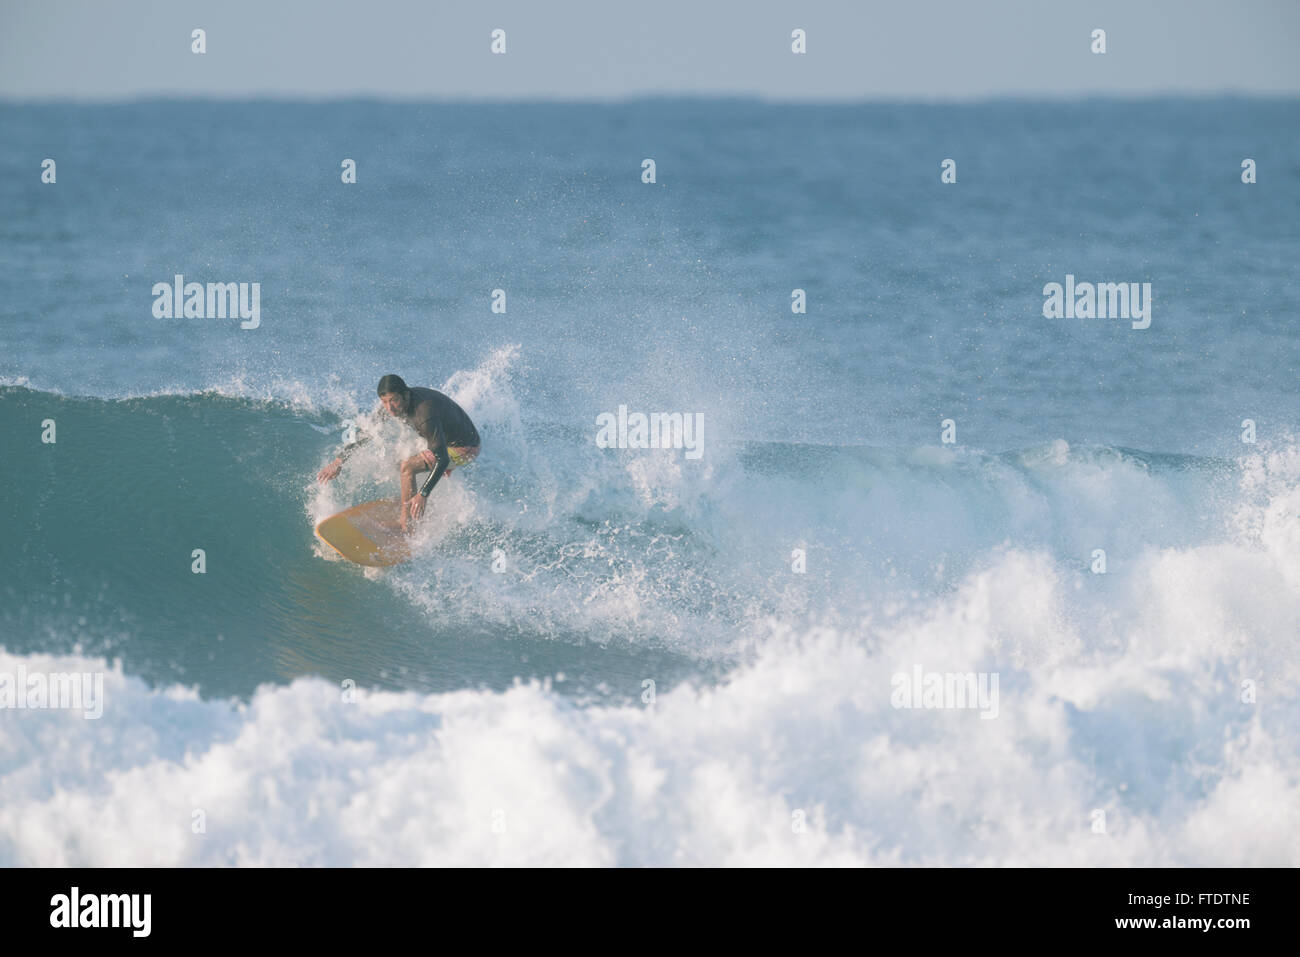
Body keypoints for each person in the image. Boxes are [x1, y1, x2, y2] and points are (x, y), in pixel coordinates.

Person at [317, 374, 480, 527]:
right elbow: (368, 432)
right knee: (398, 466)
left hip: (464, 449)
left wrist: (423, 493)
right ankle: (410, 505)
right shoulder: (397, 404)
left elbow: (442, 459)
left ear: (405, 394)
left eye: (394, 400)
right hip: (445, 440)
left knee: (407, 467)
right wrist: (339, 460)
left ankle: (406, 525)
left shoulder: (424, 414)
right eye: (384, 402)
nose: (390, 408)